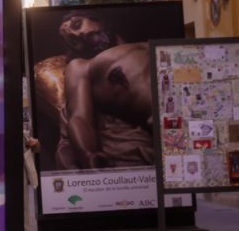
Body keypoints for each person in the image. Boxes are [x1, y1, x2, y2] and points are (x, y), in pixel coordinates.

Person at [34, 15, 154, 170]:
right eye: (73, 41)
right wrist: (88, 154)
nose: (79, 34)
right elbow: (79, 117)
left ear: (97, 20)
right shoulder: (82, 66)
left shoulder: (145, 44)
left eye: (77, 24)